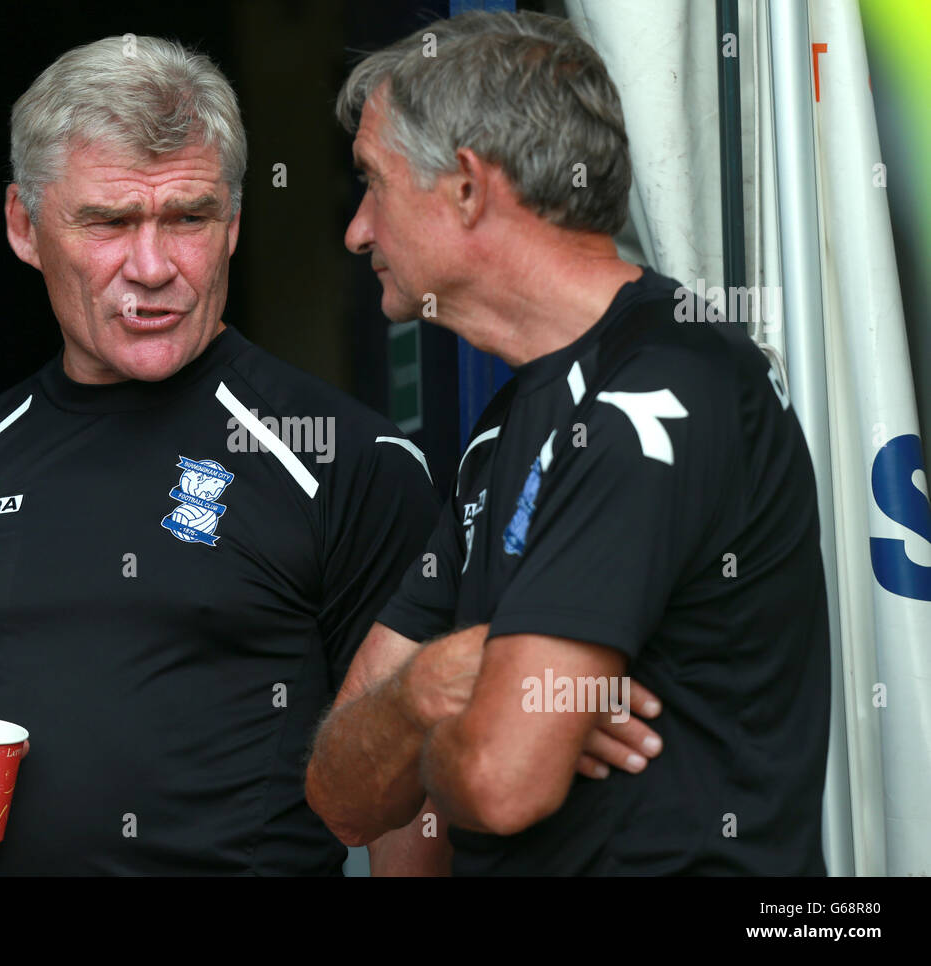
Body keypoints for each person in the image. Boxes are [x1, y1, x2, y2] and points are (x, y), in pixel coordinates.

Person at [0, 32, 659, 877]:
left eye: (188, 217)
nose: (152, 267)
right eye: (108, 222)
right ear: (23, 227)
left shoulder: (344, 460)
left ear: (234, 225)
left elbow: (415, 792)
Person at [306, 10, 830, 875]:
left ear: (467, 188)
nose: (359, 229)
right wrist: (434, 692)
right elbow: (341, 798)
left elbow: (504, 778)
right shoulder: (503, 428)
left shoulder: (667, 386)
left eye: (373, 181)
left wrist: (438, 735)